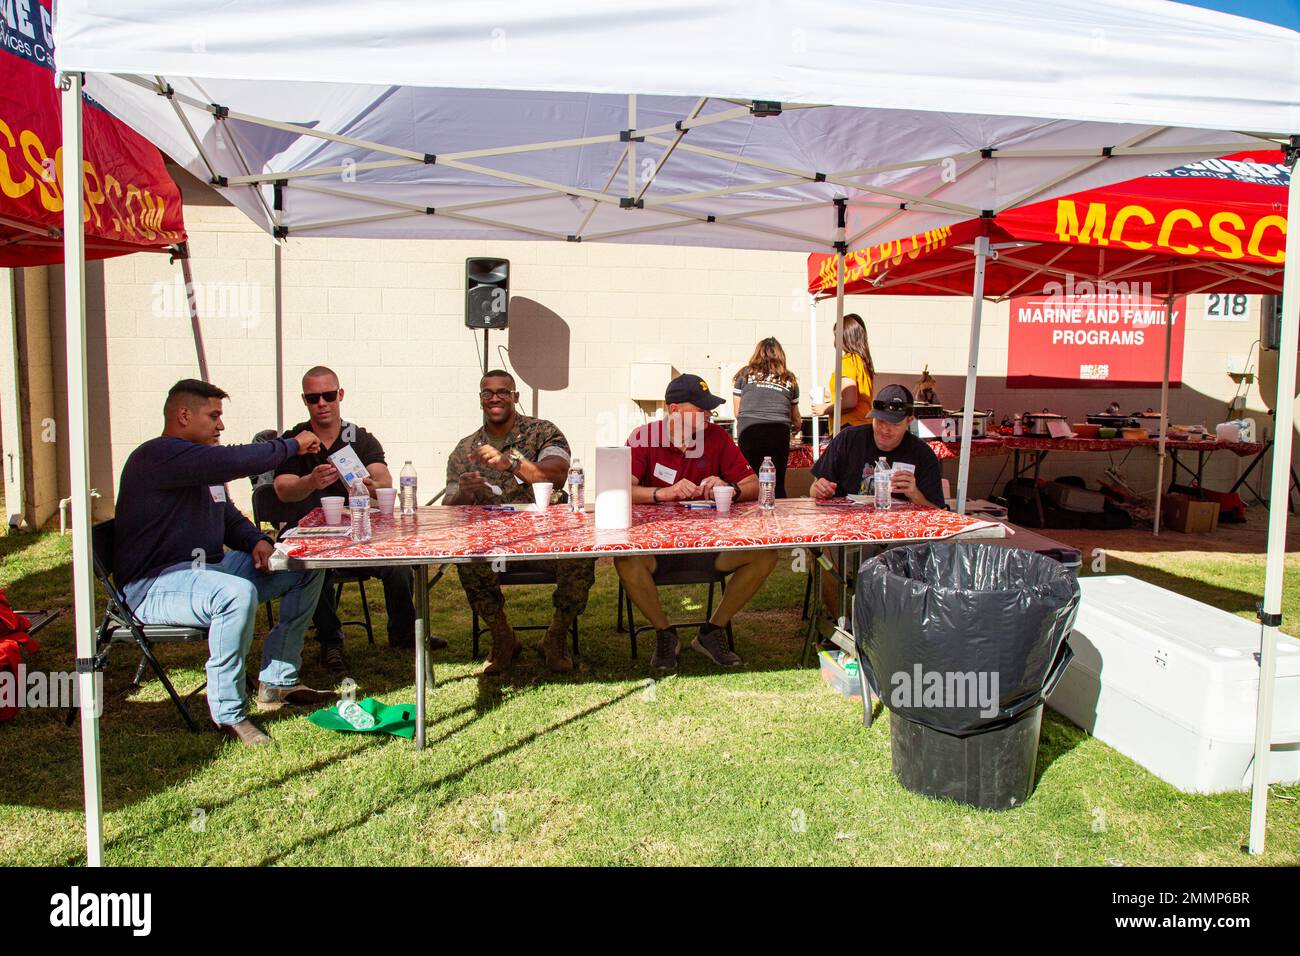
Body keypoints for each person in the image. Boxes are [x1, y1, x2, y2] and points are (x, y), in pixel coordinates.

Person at [113, 379, 334, 746]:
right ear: (184, 415)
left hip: (207, 571)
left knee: (304, 566)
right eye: (214, 416)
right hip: (153, 587)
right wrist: (292, 445)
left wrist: (257, 541)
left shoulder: (201, 465)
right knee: (234, 593)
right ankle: (229, 714)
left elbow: (228, 516)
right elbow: (233, 460)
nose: (221, 425)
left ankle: (278, 681)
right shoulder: (157, 456)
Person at [273, 366, 437, 673]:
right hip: (316, 539)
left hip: (360, 534)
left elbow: (382, 477)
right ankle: (330, 639)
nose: (321, 403)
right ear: (305, 401)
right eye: (313, 397)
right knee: (315, 569)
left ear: (340, 395)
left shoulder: (359, 438)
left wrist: (372, 484)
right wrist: (310, 481)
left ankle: (402, 632)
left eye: (328, 395)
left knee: (397, 564)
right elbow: (282, 490)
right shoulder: (294, 440)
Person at [615, 373, 778, 673]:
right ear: (673, 409)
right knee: (626, 559)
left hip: (710, 548)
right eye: (700, 408)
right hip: (656, 549)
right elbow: (620, 489)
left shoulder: (716, 437)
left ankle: (712, 631)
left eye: (709, 408)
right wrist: (662, 493)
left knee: (766, 553)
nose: (708, 414)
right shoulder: (643, 437)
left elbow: (754, 484)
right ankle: (665, 633)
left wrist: (729, 489)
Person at [443, 370, 595, 675]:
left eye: (503, 391)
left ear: (516, 397)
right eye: (488, 393)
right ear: (481, 400)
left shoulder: (542, 432)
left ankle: (556, 635)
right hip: (496, 546)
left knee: (579, 553)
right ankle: (503, 638)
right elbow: (450, 505)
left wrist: (510, 463)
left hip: (547, 539)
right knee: (469, 559)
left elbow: (557, 472)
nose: (495, 398)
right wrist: (464, 492)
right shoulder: (465, 449)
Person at [810, 383, 944, 618]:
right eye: (879, 421)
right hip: (847, 535)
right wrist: (819, 489)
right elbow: (813, 488)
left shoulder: (922, 454)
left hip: (899, 541)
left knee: (917, 556)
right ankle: (846, 626)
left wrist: (915, 494)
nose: (884, 430)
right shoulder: (848, 439)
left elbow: (938, 515)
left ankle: (892, 623)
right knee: (820, 555)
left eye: (894, 424)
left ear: (909, 420)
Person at [732, 336, 801, 499]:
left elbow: (737, 411)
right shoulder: (789, 379)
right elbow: (796, 418)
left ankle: (747, 518)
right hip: (778, 431)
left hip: (749, 429)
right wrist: (796, 427)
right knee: (776, 481)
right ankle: (777, 519)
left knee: (749, 479)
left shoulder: (744, 375)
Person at [811, 312, 875, 431]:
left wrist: (824, 409)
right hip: (864, 424)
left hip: (848, 426)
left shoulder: (847, 361)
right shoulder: (863, 362)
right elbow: (856, 397)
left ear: (844, 336)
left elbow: (850, 402)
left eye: (836, 336)